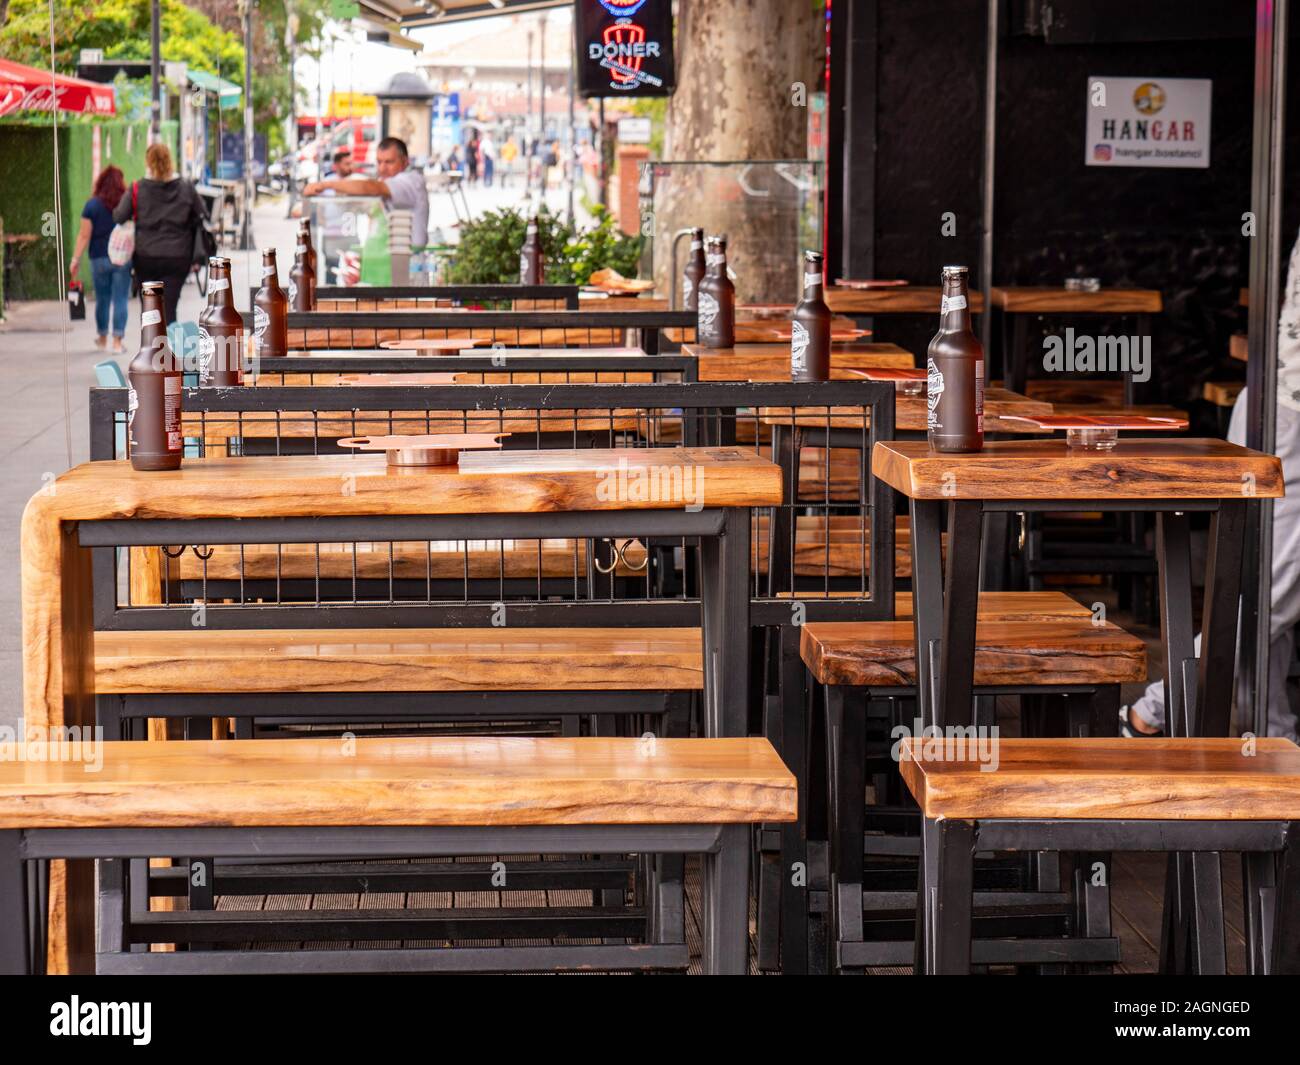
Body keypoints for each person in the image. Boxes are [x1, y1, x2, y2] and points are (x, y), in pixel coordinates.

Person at [1121, 232, 1300, 743]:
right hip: (1291, 412)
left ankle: (1274, 740)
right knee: (1272, 595)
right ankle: (1154, 713)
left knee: (1263, 591)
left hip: (1273, 399)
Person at [113, 142, 207, 327]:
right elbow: (202, 212)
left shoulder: (137, 189)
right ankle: (169, 352)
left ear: (148, 162)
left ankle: (151, 351)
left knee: (149, 311)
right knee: (169, 309)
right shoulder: (186, 187)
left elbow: (119, 216)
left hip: (146, 257)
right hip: (178, 256)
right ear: (169, 160)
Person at [303, 136, 430, 251]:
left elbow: (372, 187)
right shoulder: (385, 183)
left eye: (389, 162)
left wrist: (325, 185)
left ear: (405, 161)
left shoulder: (411, 181)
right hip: (383, 260)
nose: (382, 168)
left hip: (409, 263)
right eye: (379, 162)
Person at [69, 165, 130, 353]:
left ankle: (103, 338)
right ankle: (117, 342)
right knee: (120, 299)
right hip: (122, 258)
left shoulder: (92, 205)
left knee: (102, 299)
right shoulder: (126, 204)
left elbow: (84, 235)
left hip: (99, 258)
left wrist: (75, 259)